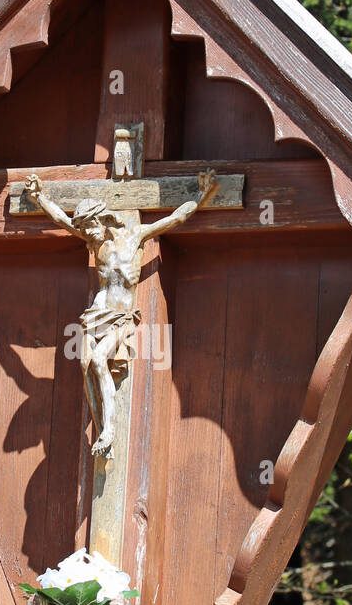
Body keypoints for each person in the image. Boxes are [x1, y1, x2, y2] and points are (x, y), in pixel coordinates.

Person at [24, 169, 217, 457]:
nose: (86, 232)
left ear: (102, 219)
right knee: (85, 363)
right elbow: (61, 220)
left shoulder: (135, 235)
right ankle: (101, 428)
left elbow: (175, 219)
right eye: (84, 228)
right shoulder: (95, 243)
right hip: (96, 313)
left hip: (121, 316)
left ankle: (110, 430)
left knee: (99, 359)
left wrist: (201, 195)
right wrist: (39, 197)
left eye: (89, 225)